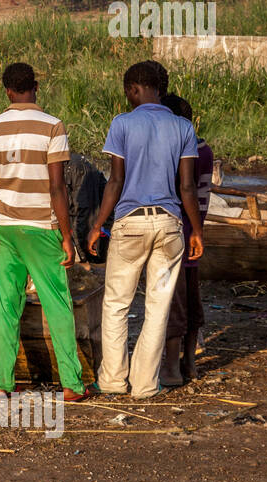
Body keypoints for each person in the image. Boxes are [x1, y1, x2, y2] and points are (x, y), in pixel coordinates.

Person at [0, 63, 94, 401]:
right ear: (35, 87)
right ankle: (71, 384)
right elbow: (58, 187)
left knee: (6, 305)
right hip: (42, 226)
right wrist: (67, 236)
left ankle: (1, 384)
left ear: (7, 91)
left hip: (7, 227)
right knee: (57, 302)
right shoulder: (52, 127)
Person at [86, 61, 204, 399]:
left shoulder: (122, 123)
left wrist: (97, 226)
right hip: (169, 226)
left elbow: (116, 181)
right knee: (158, 306)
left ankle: (111, 380)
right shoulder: (183, 127)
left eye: (128, 92)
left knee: (117, 305)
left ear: (133, 89)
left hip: (130, 224)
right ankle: (145, 385)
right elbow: (186, 187)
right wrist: (196, 230)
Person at [160, 93, 213, 386]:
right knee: (191, 302)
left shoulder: (187, 154)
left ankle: (171, 368)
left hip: (179, 236)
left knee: (174, 304)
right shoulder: (205, 150)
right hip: (195, 235)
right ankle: (189, 362)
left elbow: (185, 189)